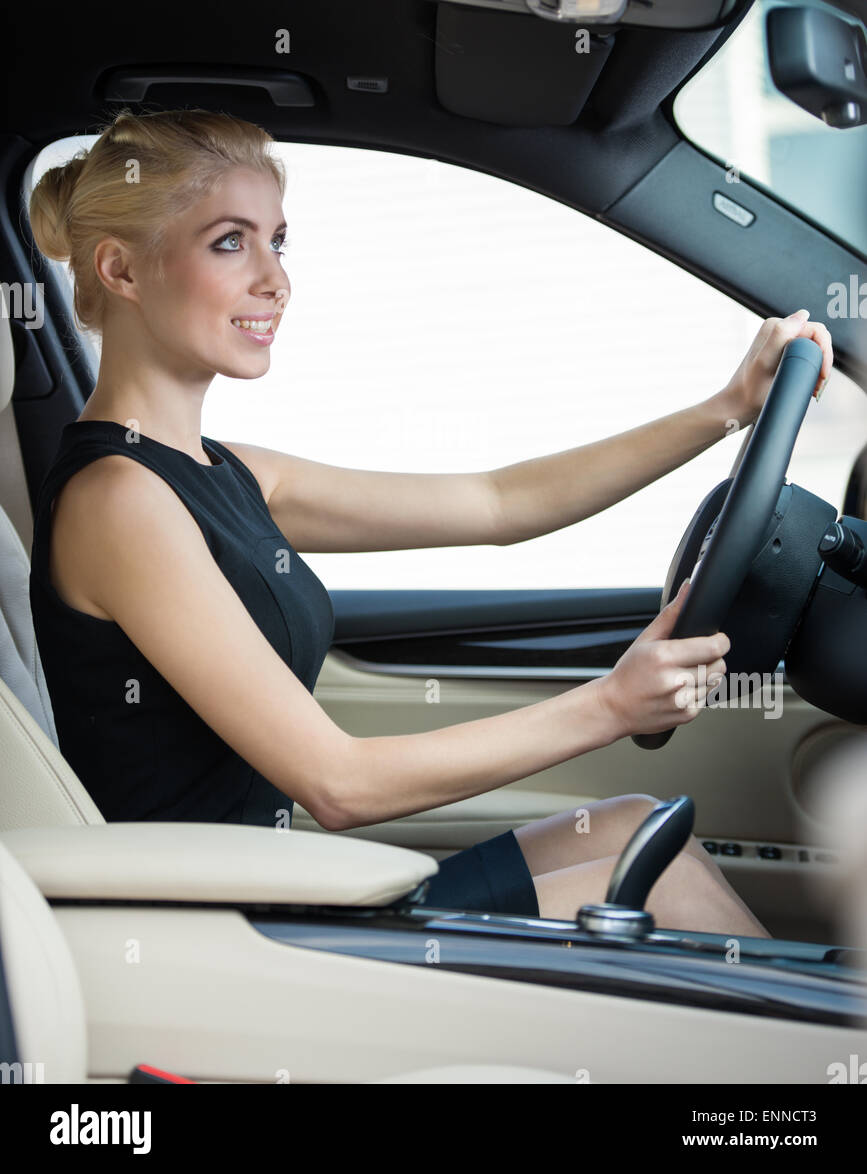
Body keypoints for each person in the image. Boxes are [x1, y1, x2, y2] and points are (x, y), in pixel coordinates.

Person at [26, 109, 833, 937]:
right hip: (214, 934)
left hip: (273, 886)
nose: (276, 280)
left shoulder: (225, 471)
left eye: (279, 241)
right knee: (658, 886)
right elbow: (338, 784)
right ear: (121, 271)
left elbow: (498, 503)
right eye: (230, 241)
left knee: (633, 826)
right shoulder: (118, 500)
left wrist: (726, 409)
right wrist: (612, 705)